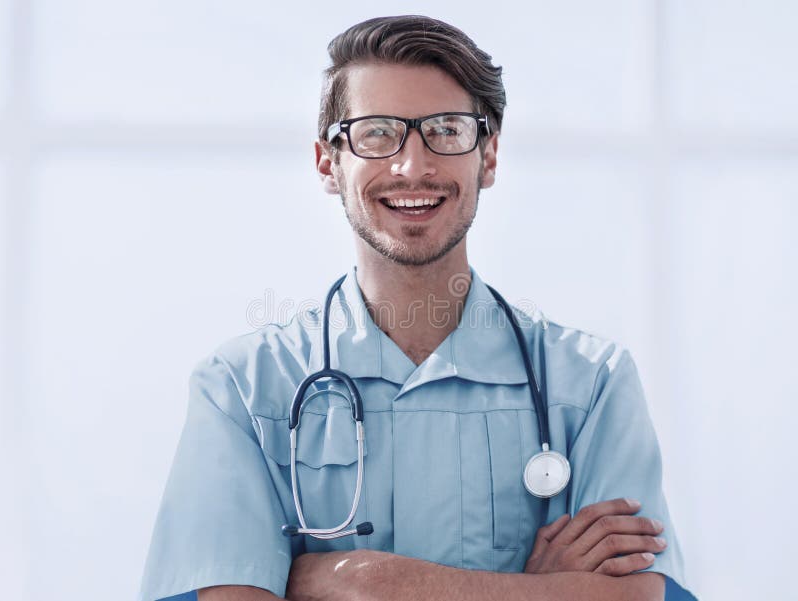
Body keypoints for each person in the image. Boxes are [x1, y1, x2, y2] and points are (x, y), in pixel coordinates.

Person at [139, 15, 697, 601]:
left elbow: (639, 596)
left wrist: (367, 581)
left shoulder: (591, 385)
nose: (412, 165)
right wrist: (536, 590)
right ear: (329, 162)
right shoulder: (243, 391)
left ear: (489, 156)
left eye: (447, 130)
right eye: (377, 133)